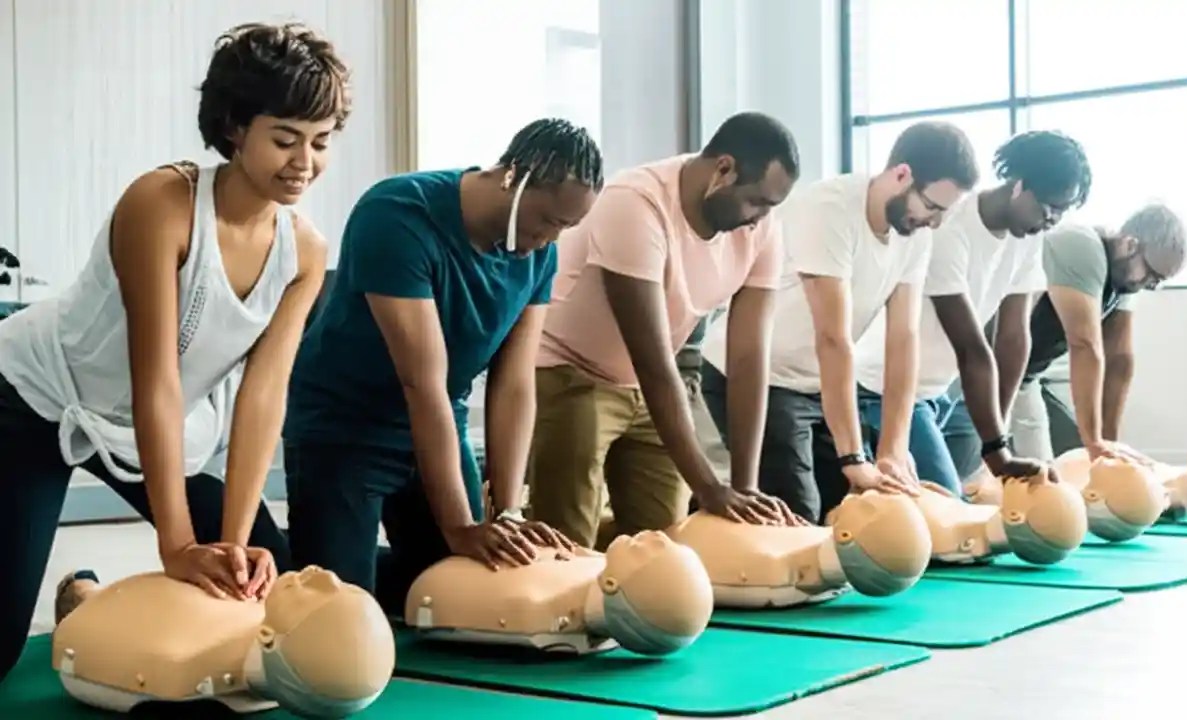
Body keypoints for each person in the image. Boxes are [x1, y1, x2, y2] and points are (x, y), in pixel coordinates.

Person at [0, 22, 348, 683]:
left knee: (265, 585)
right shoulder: (162, 203)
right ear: (236, 128)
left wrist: (237, 544)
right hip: (32, 402)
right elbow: (154, 373)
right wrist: (179, 546)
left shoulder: (305, 252)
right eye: (285, 139)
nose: (305, 161)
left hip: (145, 431)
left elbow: (262, 396)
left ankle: (89, 601)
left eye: (321, 141)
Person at [281, 118, 599, 616]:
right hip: (345, 428)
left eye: (566, 228)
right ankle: (297, 555)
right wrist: (459, 526)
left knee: (456, 591)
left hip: (438, 426)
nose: (549, 238)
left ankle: (335, 553)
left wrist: (508, 510)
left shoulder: (540, 255)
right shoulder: (397, 213)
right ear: (514, 179)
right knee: (338, 612)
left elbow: (514, 384)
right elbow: (420, 380)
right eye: (548, 219)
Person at [526, 112, 802, 550]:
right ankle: (521, 520)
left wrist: (744, 484)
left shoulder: (763, 228)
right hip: (569, 370)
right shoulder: (635, 202)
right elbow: (651, 357)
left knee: (663, 549)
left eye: (770, 208)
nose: (758, 220)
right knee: (568, 547)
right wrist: (709, 489)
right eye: (756, 202)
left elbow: (749, 358)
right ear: (723, 169)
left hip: (649, 384)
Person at [701, 120, 979, 524]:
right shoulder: (831, 208)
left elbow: (904, 340)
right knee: (801, 515)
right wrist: (853, 457)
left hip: (817, 387)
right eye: (933, 207)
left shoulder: (915, 234)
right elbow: (832, 337)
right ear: (902, 174)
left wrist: (892, 451)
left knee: (859, 510)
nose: (934, 222)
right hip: (758, 378)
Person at [865, 130, 1093, 490]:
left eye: (1061, 213)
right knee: (945, 508)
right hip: (881, 389)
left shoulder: (1029, 238)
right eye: (1049, 206)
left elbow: (1014, 338)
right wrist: (997, 451)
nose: (1051, 220)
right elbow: (971, 348)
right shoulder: (950, 226)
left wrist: (997, 431)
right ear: (1019, 186)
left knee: (976, 492)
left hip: (941, 395)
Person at [1002, 203, 1187, 464]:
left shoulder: (1124, 283)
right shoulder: (1083, 247)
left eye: (1157, 283)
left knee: (1045, 478)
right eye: (1151, 275)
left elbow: (1119, 360)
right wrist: (1093, 441)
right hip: (980, 369)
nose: (1148, 285)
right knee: (965, 475)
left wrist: (1109, 447)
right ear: (1131, 245)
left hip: (1023, 379)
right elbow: (1085, 345)